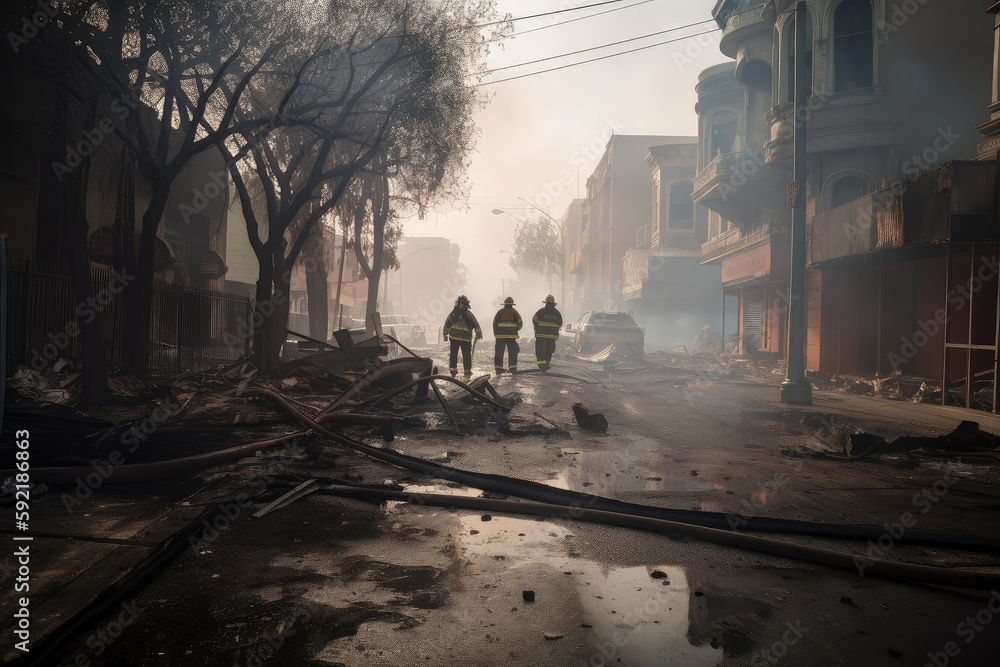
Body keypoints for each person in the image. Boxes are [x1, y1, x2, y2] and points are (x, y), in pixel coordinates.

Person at [443, 295, 482, 378]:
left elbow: (447, 324)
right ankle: (467, 369)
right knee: (466, 354)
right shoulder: (468, 314)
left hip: (454, 337)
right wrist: (478, 332)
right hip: (465, 338)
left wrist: (445, 334)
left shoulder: (453, 313)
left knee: (453, 353)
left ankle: (453, 369)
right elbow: (475, 323)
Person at [532, 294, 563, 371]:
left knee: (540, 350)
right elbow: (560, 323)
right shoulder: (557, 313)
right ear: (553, 304)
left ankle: (542, 366)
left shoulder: (541, 311)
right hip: (552, 336)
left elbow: (534, 319)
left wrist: (537, 326)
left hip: (541, 334)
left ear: (546, 303)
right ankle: (547, 364)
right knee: (549, 350)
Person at [492, 297, 523, 374]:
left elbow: (495, 323)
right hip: (511, 336)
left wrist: (496, 332)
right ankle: (512, 367)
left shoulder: (500, 312)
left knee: (499, 351)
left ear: (504, 304)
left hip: (500, 335)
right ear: (512, 304)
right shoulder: (515, 312)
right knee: (512, 351)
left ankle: (499, 368)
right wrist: (515, 330)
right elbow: (520, 323)